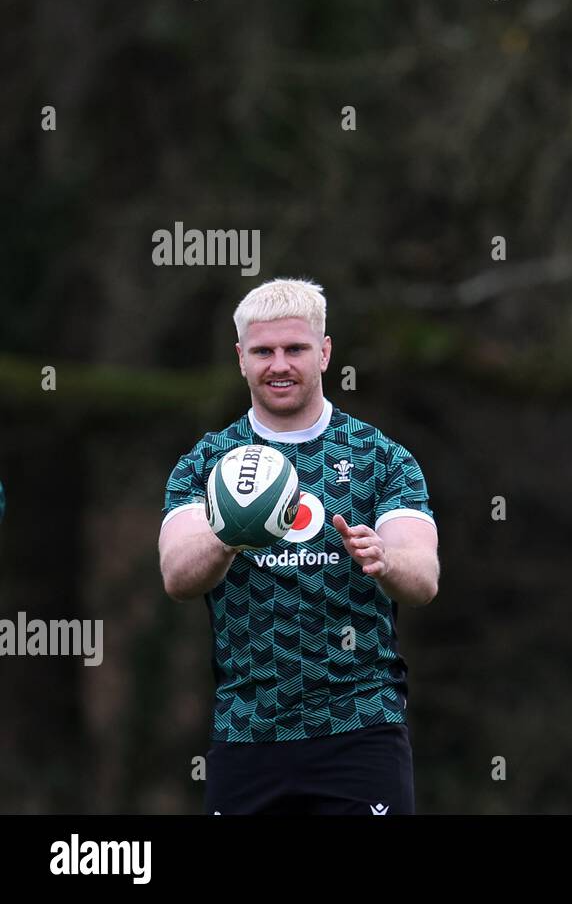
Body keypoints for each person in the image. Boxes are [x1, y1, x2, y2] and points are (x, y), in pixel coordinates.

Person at [158, 277, 439, 814]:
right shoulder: (207, 463)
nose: (279, 364)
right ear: (241, 358)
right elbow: (176, 575)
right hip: (248, 733)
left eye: (296, 349)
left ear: (325, 353)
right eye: (263, 351)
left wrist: (384, 560)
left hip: (361, 731)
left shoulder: (381, 457)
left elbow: (423, 577)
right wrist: (229, 535)